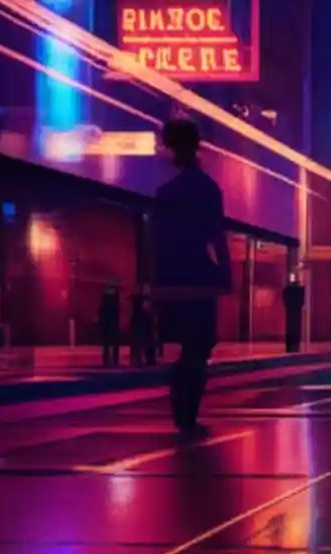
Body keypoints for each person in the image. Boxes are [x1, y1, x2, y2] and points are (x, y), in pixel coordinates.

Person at [150, 117, 231, 435]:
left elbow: (155, 238)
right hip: (198, 278)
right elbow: (216, 235)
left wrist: (153, 281)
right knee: (199, 347)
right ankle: (187, 414)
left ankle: (180, 410)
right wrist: (224, 272)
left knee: (185, 346)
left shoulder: (165, 192)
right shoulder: (208, 189)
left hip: (171, 278)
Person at [128, 287, 157, 367]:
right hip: (141, 328)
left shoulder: (142, 314)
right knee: (139, 344)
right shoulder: (142, 314)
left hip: (141, 328)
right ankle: (139, 360)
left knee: (139, 344)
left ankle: (140, 360)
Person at [98, 283, 121, 368]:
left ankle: (109, 360)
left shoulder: (106, 302)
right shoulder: (113, 301)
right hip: (111, 324)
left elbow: (102, 313)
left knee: (108, 343)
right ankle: (112, 360)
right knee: (111, 343)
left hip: (108, 324)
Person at [282, 276, 305, 353]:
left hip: (291, 311)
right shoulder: (299, 291)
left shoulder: (288, 290)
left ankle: (291, 347)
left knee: (291, 329)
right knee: (295, 329)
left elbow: (285, 299)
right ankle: (294, 346)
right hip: (295, 311)